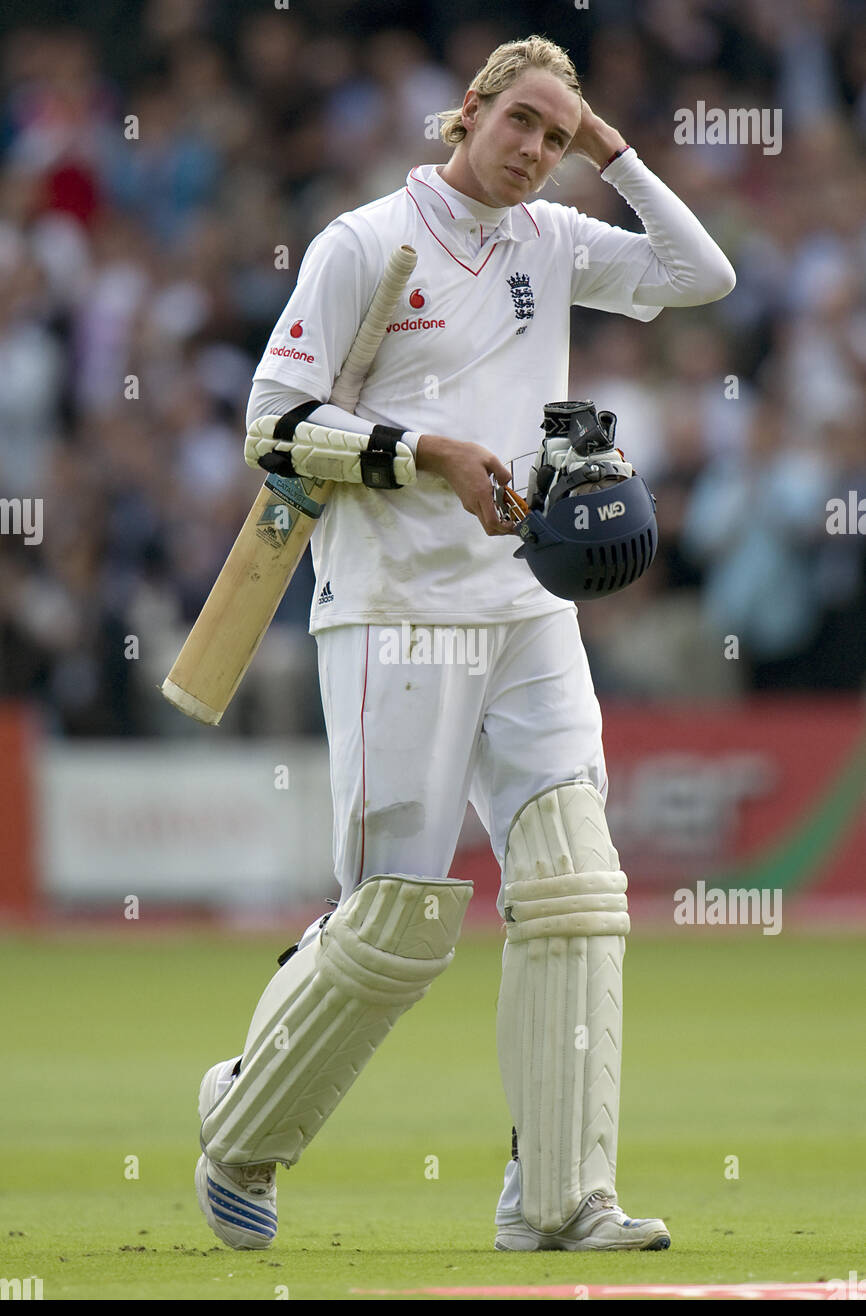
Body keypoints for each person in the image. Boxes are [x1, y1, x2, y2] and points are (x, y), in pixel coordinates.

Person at [194, 34, 735, 1253]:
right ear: (468, 113)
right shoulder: (362, 243)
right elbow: (271, 429)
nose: (536, 152)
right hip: (395, 608)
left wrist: (615, 151)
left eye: (557, 136)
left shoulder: (548, 237)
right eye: (523, 123)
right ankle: (243, 1123)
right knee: (395, 917)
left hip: (528, 606)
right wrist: (420, 454)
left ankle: (556, 1196)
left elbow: (702, 277)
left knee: (578, 887)